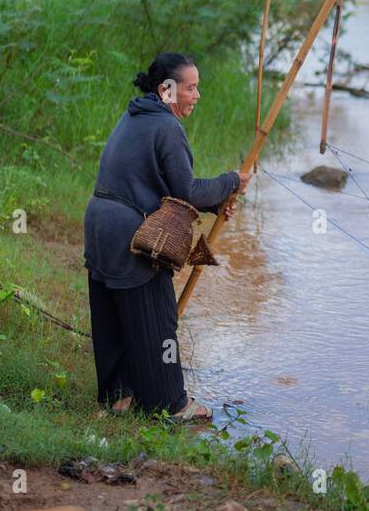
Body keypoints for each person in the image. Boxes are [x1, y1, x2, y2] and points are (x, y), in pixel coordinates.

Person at [82, 52, 251, 421]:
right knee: (156, 318)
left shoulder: (135, 116)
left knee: (113, 317)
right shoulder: (167, 127)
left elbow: (163, 186)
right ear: (167, 89)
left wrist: (215, 204)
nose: (197, 95)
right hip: (129, 232)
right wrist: (230, 182)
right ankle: (171, 406)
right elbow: (187, 190)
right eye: (191, 88)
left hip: (99, 224)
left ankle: (119, 398)